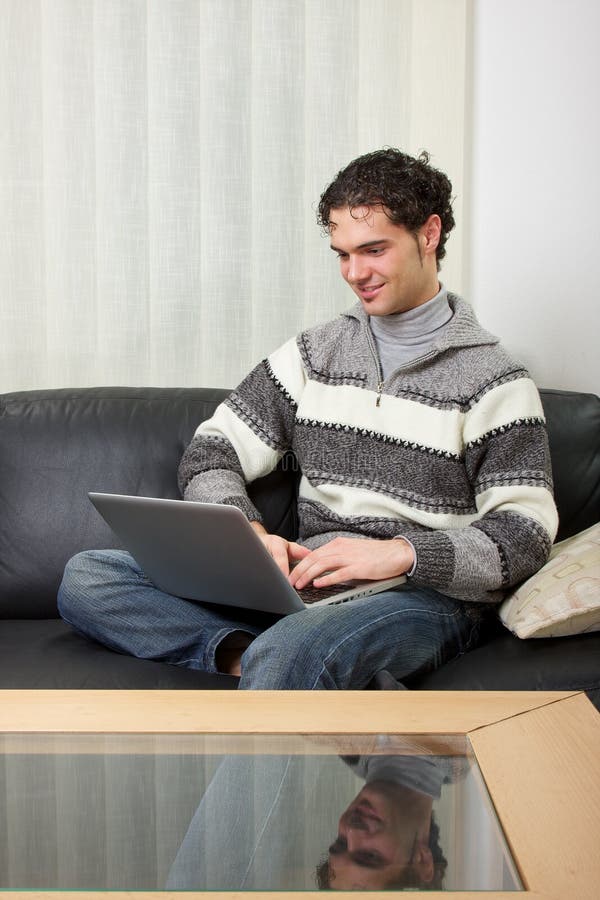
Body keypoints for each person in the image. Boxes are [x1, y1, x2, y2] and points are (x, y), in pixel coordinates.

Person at [57, 148, 558, 689]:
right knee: (88, 577)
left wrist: (401, 554)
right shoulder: (313, 355)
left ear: (429, 234)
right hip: (307, 584)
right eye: (343, 254)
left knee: (291, 651)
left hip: (424, 598)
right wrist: (247, 536)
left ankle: (281, 663)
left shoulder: (495, 380)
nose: (356, 273)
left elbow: (524, 535)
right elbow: (212, 450)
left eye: (373, 250)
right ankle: (246, 657)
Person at [165, 750, 459, 891]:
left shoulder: (333, 744)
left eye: (339, 842)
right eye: (369, 856)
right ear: (422, 860)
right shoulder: (462, 748)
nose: (351, 829)